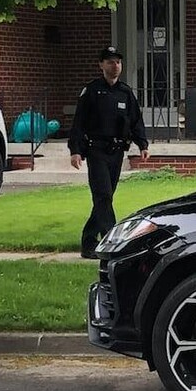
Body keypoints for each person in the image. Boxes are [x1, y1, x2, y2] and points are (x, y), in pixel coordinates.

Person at [69, 46, 149, 259]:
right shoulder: (92, 91)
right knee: (103, 195)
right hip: (96, 150)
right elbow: (79, 122)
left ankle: (88, 243)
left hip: (117, 152)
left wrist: (143, 144)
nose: (115, 66)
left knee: (105, 198)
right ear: (101, 65)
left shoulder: (125, 92)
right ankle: (112, 242)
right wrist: (75, 150)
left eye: (118, 62)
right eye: (111, 62)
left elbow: (135, 120)